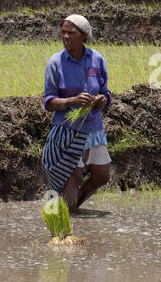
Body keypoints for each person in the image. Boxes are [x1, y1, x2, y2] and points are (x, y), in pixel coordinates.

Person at [42, 15, 111, 211]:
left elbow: (105, 92)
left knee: (102, 176)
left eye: (71, 33)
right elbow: (49, 101)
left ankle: (68, 210)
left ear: (84, 35)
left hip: (94, 128)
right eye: (63, 32)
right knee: (74, 176)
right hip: (67, 131)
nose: (65, 37)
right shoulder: (55, 63)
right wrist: (72, 101)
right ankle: (65, 220)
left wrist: (102, 100)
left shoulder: (96, 60)